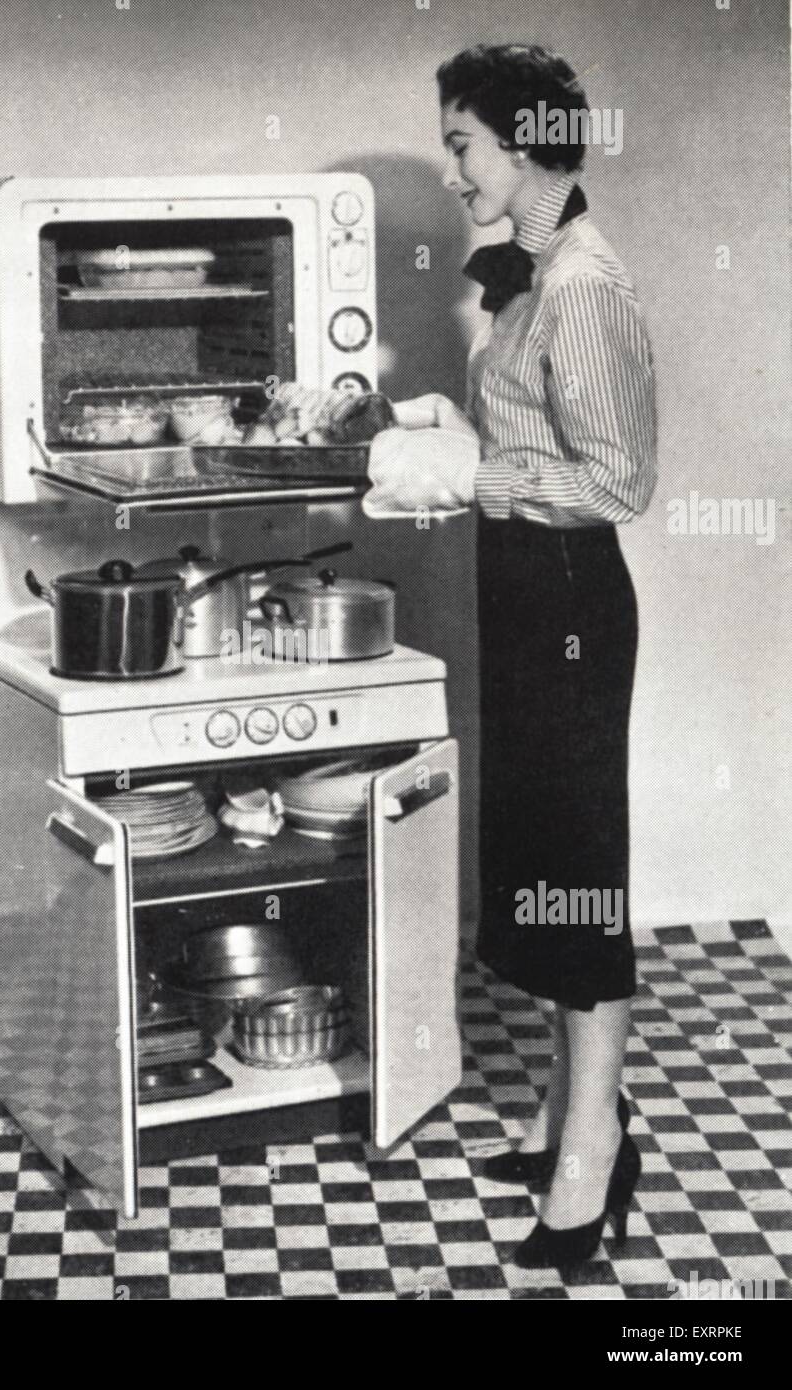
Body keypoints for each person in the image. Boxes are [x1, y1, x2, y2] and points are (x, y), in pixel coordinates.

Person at [365, 43, 658, 1270]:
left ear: (525, 142)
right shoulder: (528, 277)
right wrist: (456, 427)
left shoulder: (584, 284)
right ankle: (563, 1106)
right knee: (541, 855)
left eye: (463, 144)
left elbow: (620, 482)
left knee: (579, 869)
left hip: (576, 602)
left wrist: (470, 471)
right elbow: (538, 428)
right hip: (526, 596)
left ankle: (595, 1134)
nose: (451, 169)